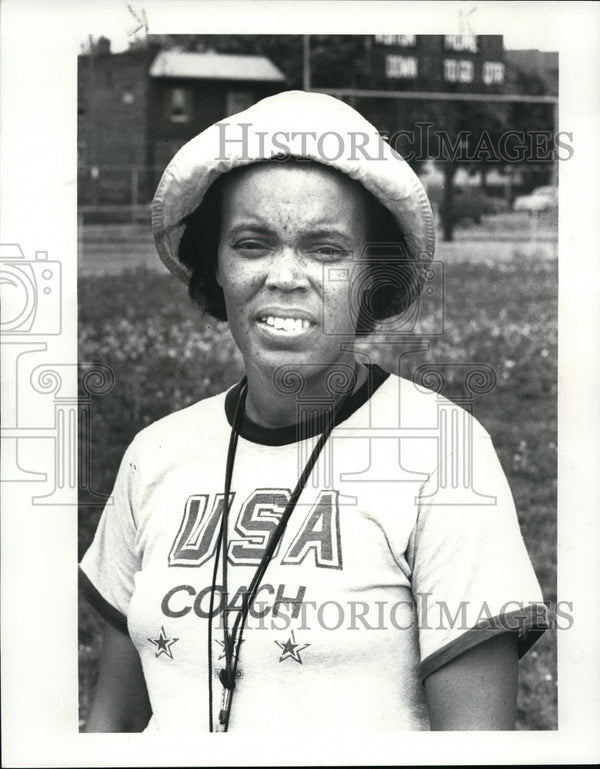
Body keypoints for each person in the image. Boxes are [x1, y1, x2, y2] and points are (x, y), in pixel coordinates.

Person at [79, 90, 548, 733]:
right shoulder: (153, 455)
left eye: (326, 250)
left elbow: (475, 744)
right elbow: (111, 728)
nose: (285, 276)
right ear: (214, 262)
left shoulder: (442, 453)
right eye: (252, 243)